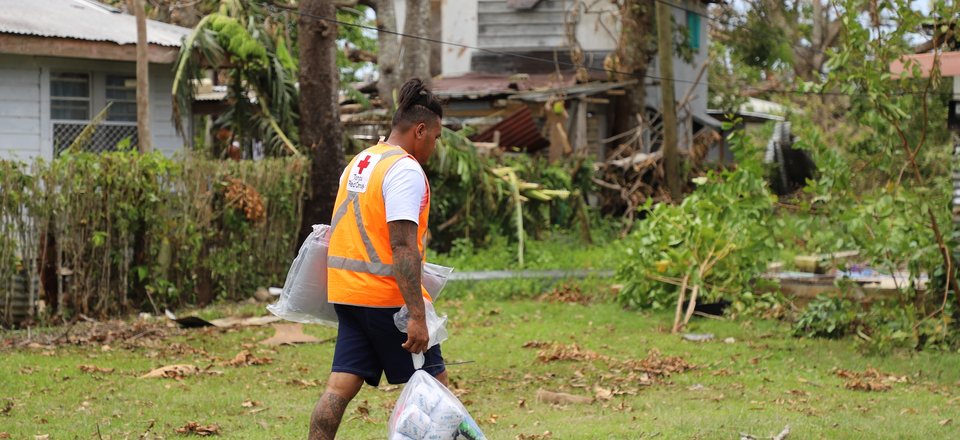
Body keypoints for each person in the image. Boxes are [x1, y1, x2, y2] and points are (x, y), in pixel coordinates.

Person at [309, 78, 445, 440]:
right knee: (438, 394)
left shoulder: (361, 162)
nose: (435, 143)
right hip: (389, 301)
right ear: (420, 130)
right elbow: (402, 246)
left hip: (349, 296)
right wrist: (416, 315)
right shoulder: (404, 170)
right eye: (436, 135)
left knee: (338, 388)